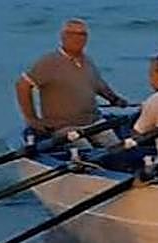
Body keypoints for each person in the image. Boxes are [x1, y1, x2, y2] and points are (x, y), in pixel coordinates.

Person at [15, 18, 127, 147]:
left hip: (94, 122)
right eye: (72, 34)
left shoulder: (87, 61)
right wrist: (32, 119)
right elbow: (22, 85)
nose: (78, 38)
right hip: (64, 127)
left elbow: (99, 86)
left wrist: (115, 99)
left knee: (119, 149)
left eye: (82, 34)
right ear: (63, 37)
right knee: (85, 150)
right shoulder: (49, 62)